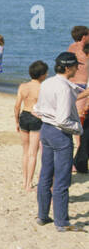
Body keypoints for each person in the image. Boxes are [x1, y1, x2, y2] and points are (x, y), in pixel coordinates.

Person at [34, 52, 86, 231]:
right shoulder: (64, 88)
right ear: (67, 67)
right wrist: (79, 129)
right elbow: (63, 120)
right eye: (75, 66)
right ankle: (62, 222)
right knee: (62, 180)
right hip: (60, 133)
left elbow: (38, 108)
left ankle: (42, 216)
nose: (78, 68)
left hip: (46, 129)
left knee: (45, 175)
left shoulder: (48, 82)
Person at [14, 61, 48, 192]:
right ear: (42, 75)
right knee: (33, 153)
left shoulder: (23, 86)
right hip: (35, 118)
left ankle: (24, 181)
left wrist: (16, 121)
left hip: (24, 115)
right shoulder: (42, 88)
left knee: (25, 152)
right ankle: (29, 184)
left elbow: (17, 106)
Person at [67, 25, 89, 173]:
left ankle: (79, 157)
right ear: (84, 37)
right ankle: (78, 159)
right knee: (78, 123)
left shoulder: (72, 48)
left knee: (77, 122)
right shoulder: (78, 50)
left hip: (74, 86)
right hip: (79, 87)